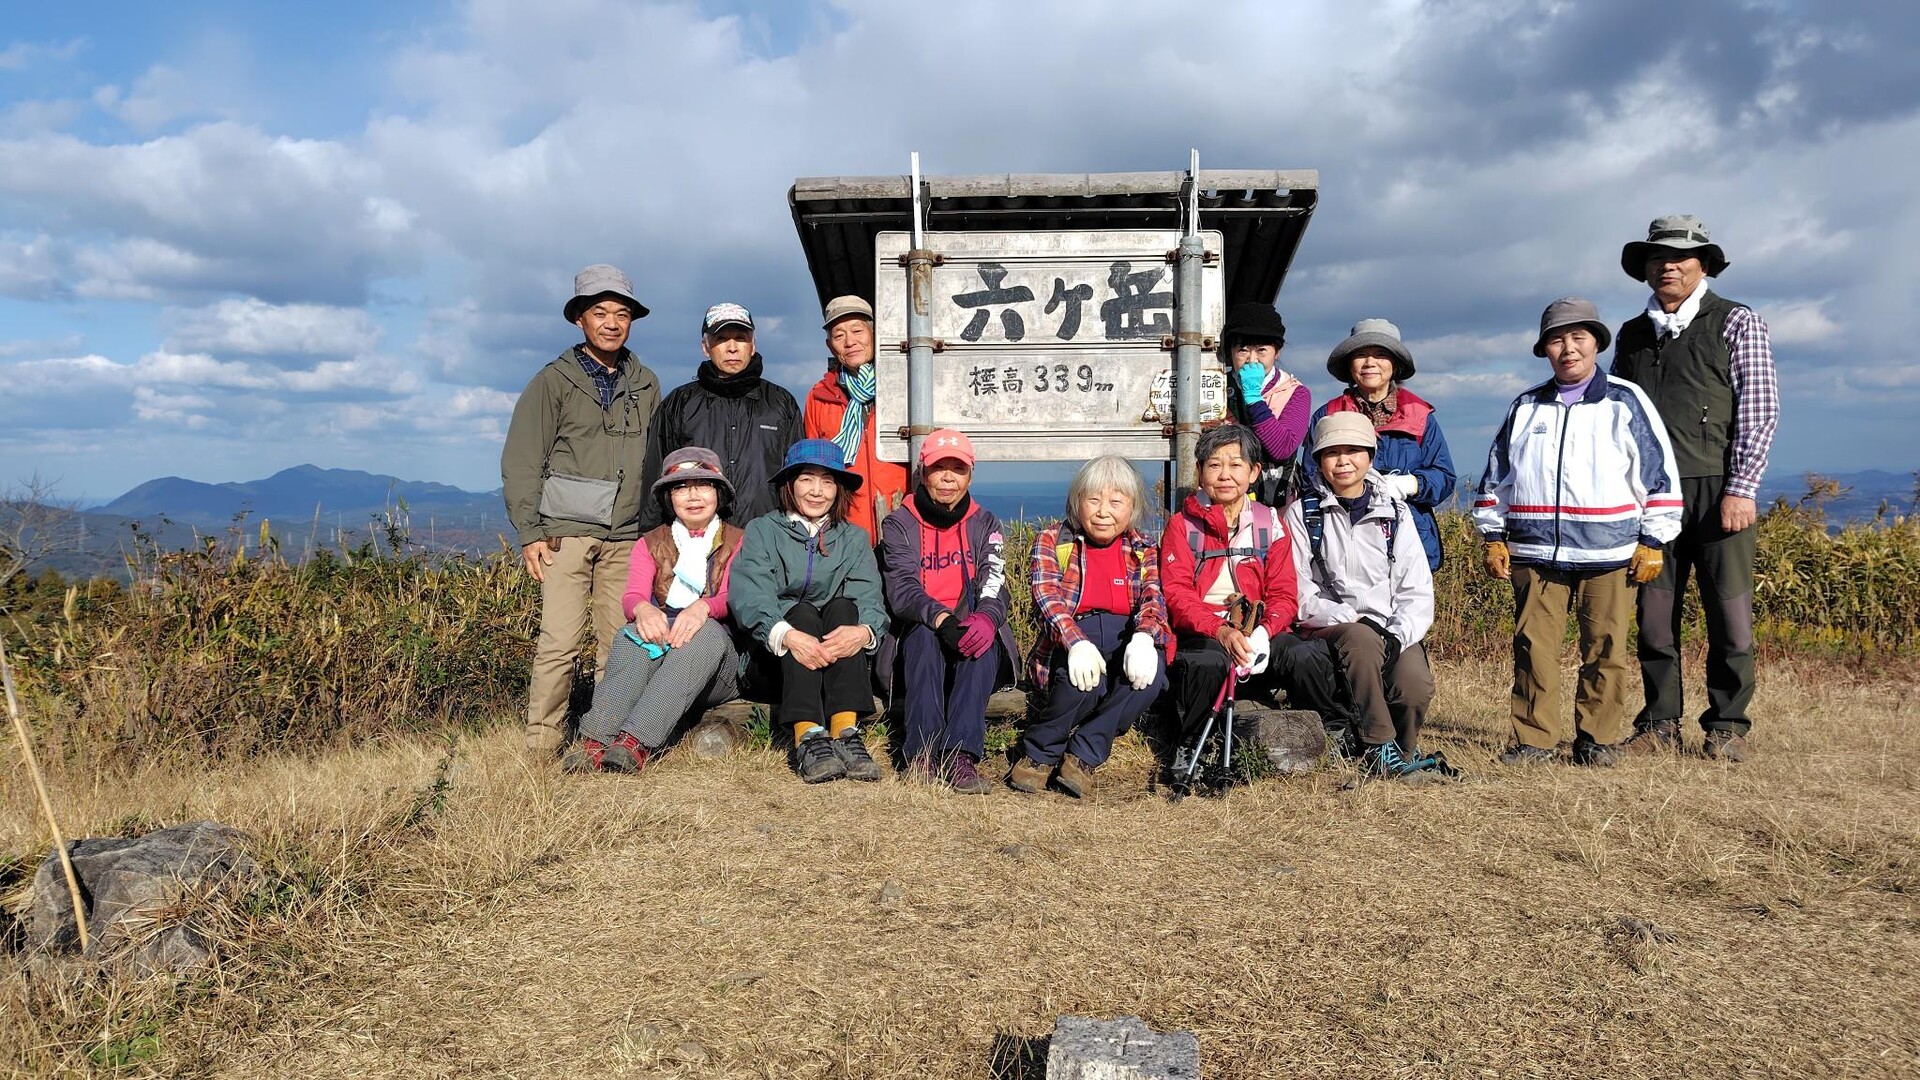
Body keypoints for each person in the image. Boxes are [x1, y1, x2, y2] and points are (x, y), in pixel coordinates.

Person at [1476, 299, 1684, 767]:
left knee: (1606, 650)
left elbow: (1660, 475)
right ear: (1544, 349)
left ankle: (1598, 739)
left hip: (1609, 552)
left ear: (1595, 343)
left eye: (1578, 337)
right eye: (1556, 339)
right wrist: (1492, 535)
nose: (1568, 348)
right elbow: (1496, 477)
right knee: (1533, 648)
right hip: (1532, 551)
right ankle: (1535, 740)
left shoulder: (1625, 401)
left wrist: (1654, 540)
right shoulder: (1526, 406)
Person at [1610, 215, 1778, 762]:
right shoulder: (1632, 335)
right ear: (1646, 269)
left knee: (1730, 614)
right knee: (1654, 617)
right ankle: (1659, 724)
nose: (1668, 266)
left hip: (1717, 488)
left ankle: (1728, 724)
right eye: (1658, 258)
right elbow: (1616, 416)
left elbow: (1759, 408)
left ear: (1703, 264)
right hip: (1650, 497)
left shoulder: (1736, 322)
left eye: (1680, 257)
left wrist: (1742, 487)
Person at [501, 264, 660, 756]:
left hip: (628, 533)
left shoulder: (646, 382)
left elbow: (657, 458)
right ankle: (542, 746)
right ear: (579, 320)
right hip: (564, 533)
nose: (612, 322)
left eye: (621, 313)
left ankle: (603, 736)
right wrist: (529, 531)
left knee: (621, 644)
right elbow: (523, 458)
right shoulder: (553, 381)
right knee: (560, 642)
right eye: (600, 312)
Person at [1277, 413, 1443, 780]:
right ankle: (1378, 746)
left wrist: (1399, 635)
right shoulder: (1302, 514)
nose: (1343, 461)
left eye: (1353, 450)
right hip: (1330, 624)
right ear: (1318, 459)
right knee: (1360, 639)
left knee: (1414, 685)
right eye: (1331, 452)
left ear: (1370, 455)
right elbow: (1298, 588)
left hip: (1390, 626)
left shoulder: (1395, 513)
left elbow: (1414, 586)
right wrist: (1346, 618)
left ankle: (1402, 750)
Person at [565, 448, 746, 774]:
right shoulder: (649, 543)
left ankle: (634, 742)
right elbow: (632, 594)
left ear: (718, 493)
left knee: (704, 634)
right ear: (668, 496)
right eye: (681, 487)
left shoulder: (740, 541)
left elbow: (737, 598)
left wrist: (704, 606)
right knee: (631, 635)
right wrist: (644, 608)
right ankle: (594, 741)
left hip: (720, 664)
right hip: (665, 648)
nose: (693, 495)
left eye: (703, 485)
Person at [729, 439, 890, 784]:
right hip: (772, 663)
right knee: (799, 615)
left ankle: (846, 733)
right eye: (806, 479)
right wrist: (786, 635)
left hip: (834, 662)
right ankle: (809, 738)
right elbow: (749, 595)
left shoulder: (853, 539)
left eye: (828, 481)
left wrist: (863, 632)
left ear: (839, 490)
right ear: (789, 484)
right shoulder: (762, 531)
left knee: (846, 609)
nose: (817, 491)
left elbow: (869, 600)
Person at [1014, 455, 1170, 799]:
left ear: (1132, 507)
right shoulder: (1053, 540)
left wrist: (1144, 638)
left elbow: (1154, 598)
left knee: (1150, 676)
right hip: (1068, 641)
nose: (1103, 511)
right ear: (1077, 502)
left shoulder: (1143, 548)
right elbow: (1046, 597)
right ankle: (1039, 753)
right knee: (1082, 682)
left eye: (1116, 502)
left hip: (1125, 639)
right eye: (1094, 499)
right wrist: (1076, 644)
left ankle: (1083, 755)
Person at [877, 429, 1018, 793]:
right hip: (920, 628)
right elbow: (902, 588)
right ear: (923, 472)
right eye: (940, 467)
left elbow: (995, 580)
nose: (948, 478)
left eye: (958, 468)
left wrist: (987, 617)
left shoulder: (985, 523)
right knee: (924, 638)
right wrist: (941, 620)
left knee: (980, 640)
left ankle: (961, 755)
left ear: (970, 475)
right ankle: (921, 753)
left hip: (970, 618)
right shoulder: (898, 523)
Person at [1160, 425, 1298, 755]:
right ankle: (1193, 745)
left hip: (1257, 627)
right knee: (1205, 662)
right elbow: (1176, 593)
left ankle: (1330, 735)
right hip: (1202, 628)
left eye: (1236, 465)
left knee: (1305, 655)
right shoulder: (1182, 525)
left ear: (1254, 472)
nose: (1225, 475)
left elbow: (1284, 593)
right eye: (1214, 464)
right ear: (1199, 471)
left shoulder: (1271, 523)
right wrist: (1218, 630)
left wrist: (1264, 631)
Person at [638, 303, 802, 530]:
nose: (732, 347)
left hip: (766, 538)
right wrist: (652, 537)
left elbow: (797, 478)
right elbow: (655, 477)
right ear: (706, 347)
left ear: (753, 345)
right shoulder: (678, 403)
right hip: (696, 540)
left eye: (740, 338)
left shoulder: (781, 403)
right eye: (721, 338)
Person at [1311, 319, 1455, 572]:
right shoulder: (1328, 415)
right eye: (1361, 355)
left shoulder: (1420, 415)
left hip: (1409, 540)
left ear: (1395, 365)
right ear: (1349, 365)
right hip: (1343, 538)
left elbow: (1444, 477)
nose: (1370, 363)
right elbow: (1309, 478)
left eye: (1380, 355)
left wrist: (1411, 484)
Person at [804, 295, 909, 543]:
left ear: (874, 334)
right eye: (839, 335)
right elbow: (813, 468)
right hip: (842, 532)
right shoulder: (820, 396)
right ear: (830, 345)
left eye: (857, 330)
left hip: (904, 526)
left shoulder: (903, 388)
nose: (850, 341)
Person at [1217, 301, 1312, 506]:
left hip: (1275, 502)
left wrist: (1253, 398)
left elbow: (1282, 449)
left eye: (1261, 350)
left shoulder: (1296, 393)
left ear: (1277, 352)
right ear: (1231, 352)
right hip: (1219, 497)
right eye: (1242, 350)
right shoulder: (1216, 388)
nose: (1252, 360)